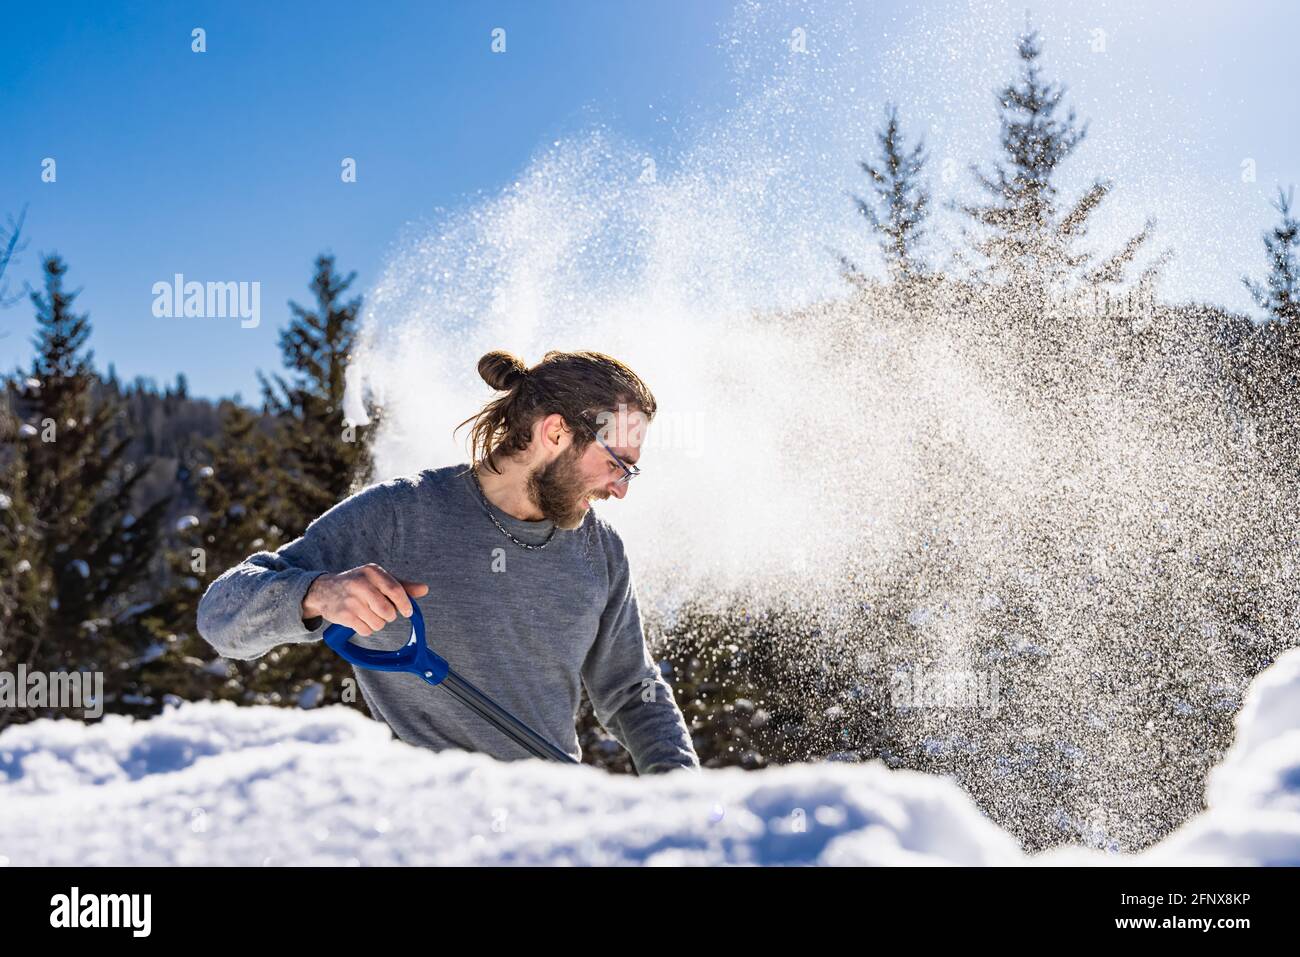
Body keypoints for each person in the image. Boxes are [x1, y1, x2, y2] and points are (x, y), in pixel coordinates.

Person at [196, 349, 700, 774]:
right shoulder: (400, 514)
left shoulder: (601, 551)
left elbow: (633, 692)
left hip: (545, 827)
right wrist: (317, 594)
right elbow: (220, 617)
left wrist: (682, 794)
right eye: (616, 464)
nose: (620, 488)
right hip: (421, 829)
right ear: (554, 434)